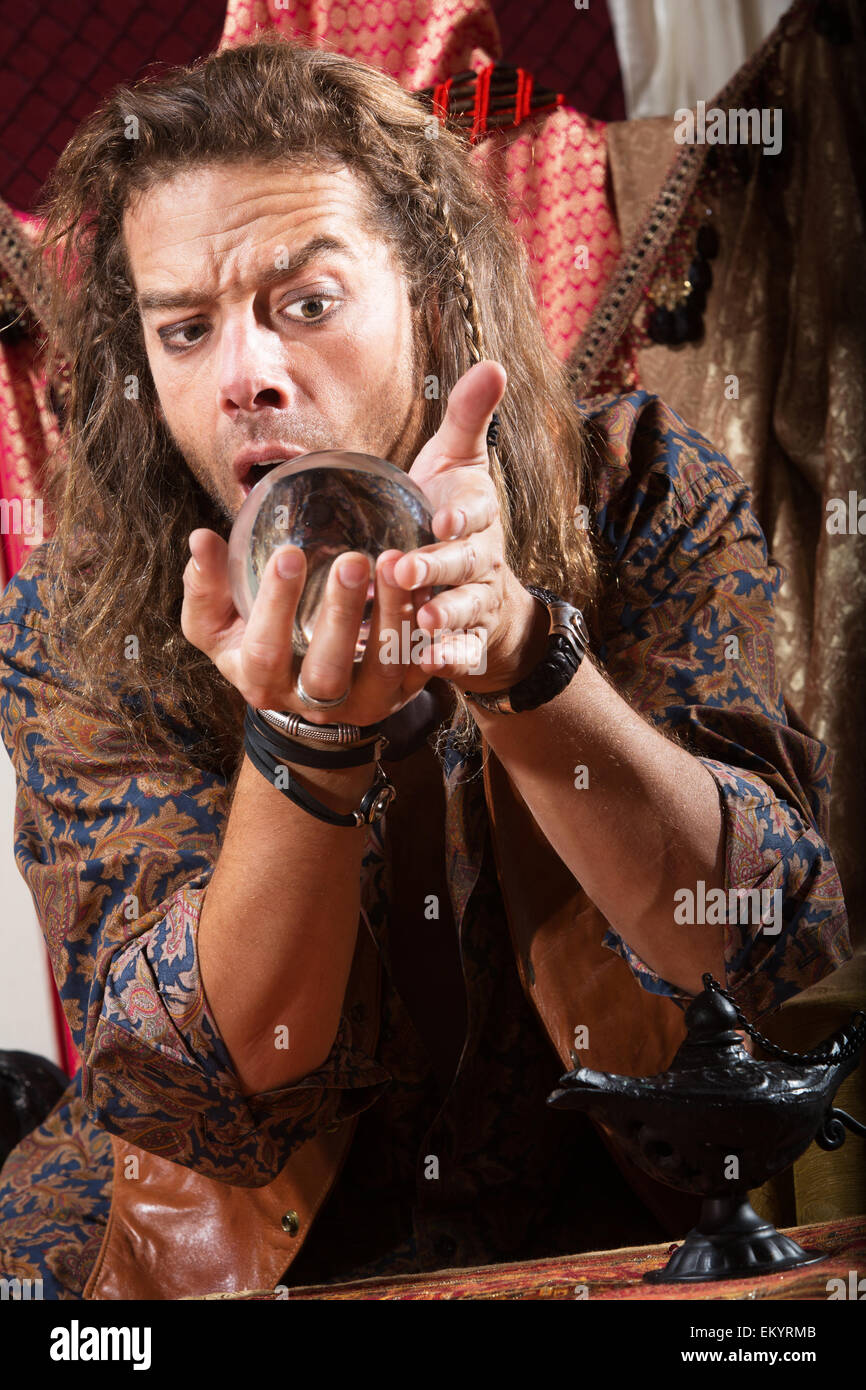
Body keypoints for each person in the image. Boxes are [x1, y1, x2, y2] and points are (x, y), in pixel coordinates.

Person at [0, 38, 850, 1299]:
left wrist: (520, 663)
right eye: (185, 329)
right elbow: (194, 1106)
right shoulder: (74, 619)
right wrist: (304, 752)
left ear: (436, 303)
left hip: (587, 1242)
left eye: (306, 302)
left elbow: (774, 963)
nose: (247, 377)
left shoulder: (641, 494)